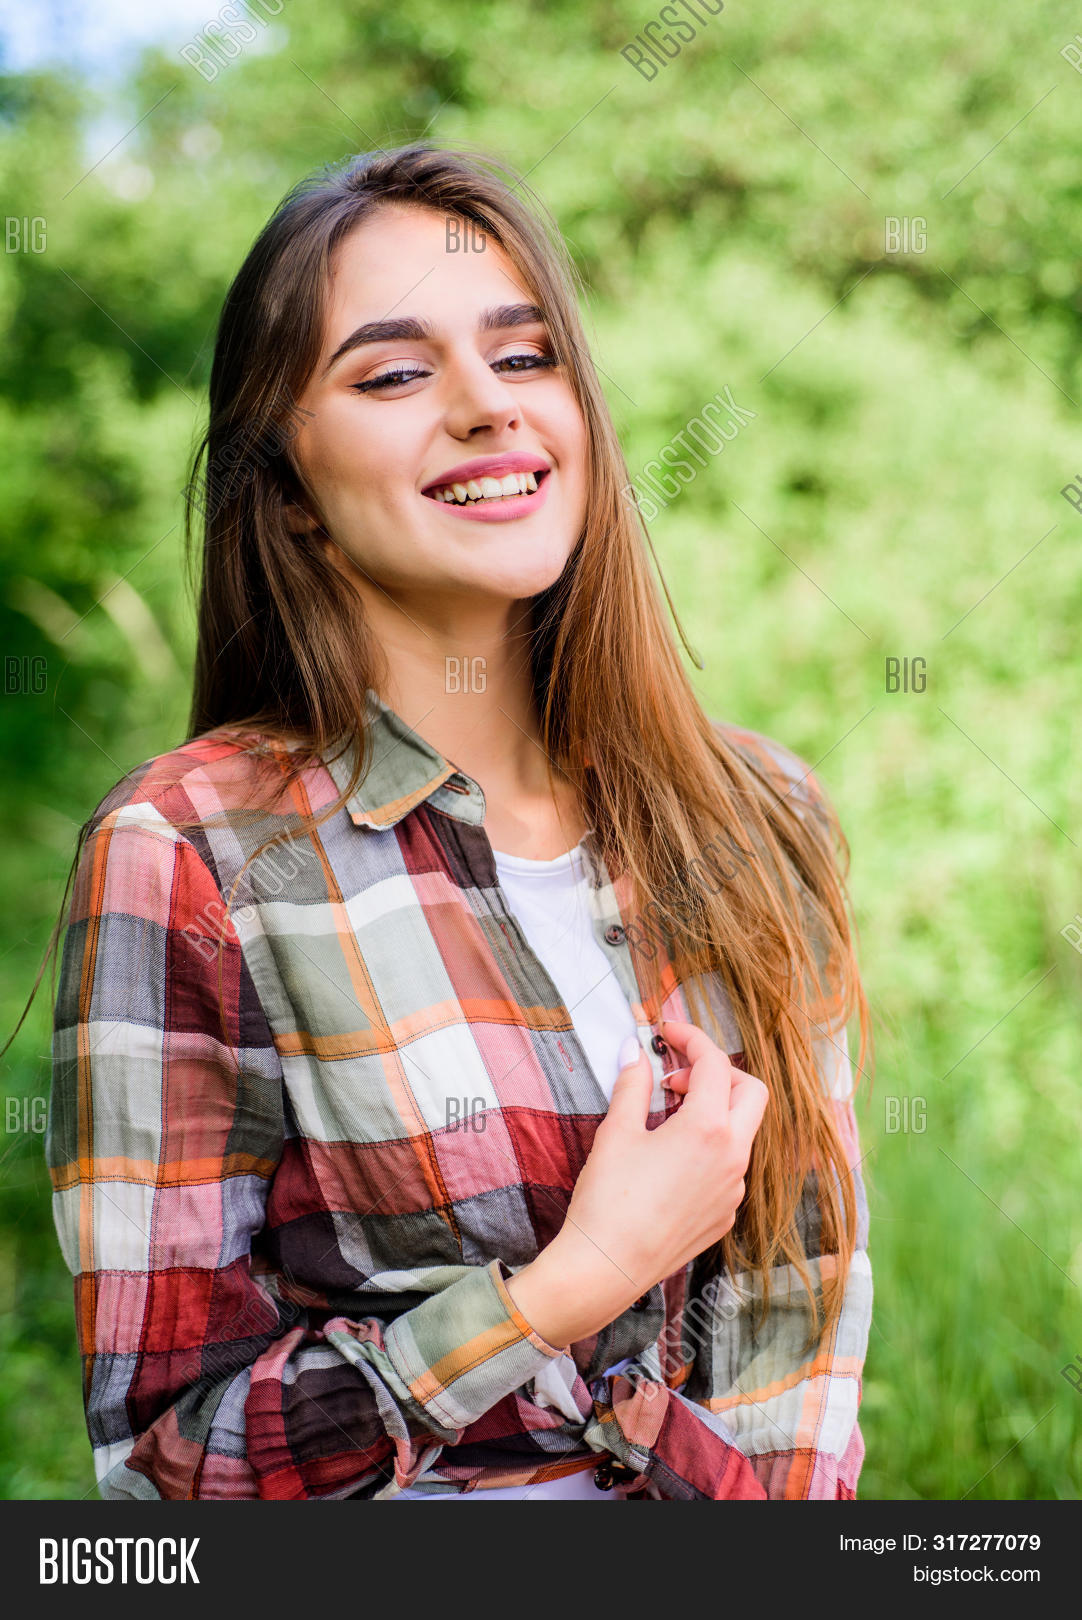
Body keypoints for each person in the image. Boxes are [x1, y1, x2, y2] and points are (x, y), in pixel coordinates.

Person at [45, 143, 873, 1500]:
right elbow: (164, 1470)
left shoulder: (762, 818)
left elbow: (805, 1362)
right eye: (391, 374)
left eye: (525, 355)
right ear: (294, 495)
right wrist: (565, 1289)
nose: (486, 406)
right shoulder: (188, 852)